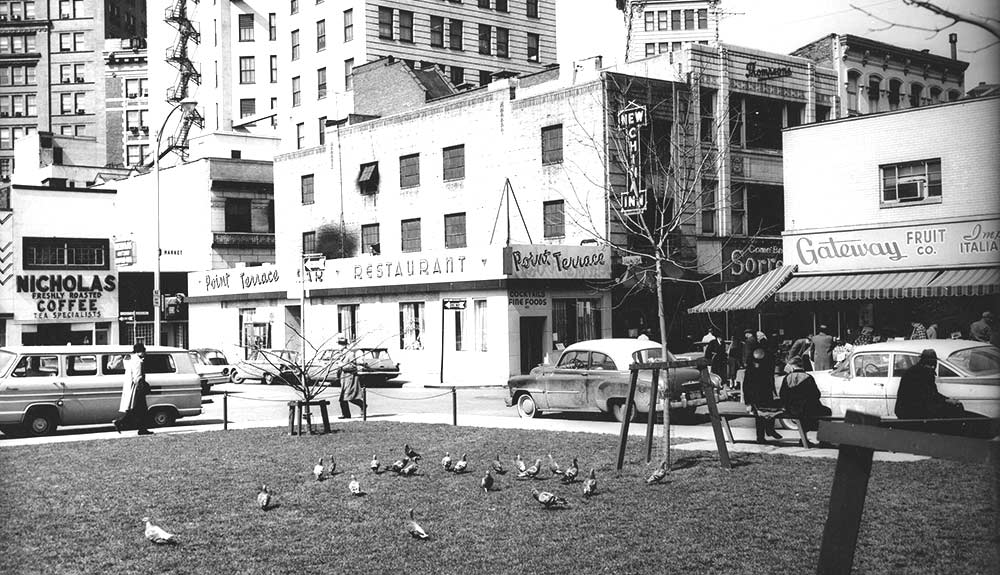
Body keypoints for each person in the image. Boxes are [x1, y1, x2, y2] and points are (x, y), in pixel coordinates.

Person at [895, 349, 991, 437]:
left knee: (954, 408)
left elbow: (931, 394)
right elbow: (929, 397)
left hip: (913, 408)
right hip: (911, 411)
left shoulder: (919, 370)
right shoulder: (922, 373)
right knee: (953, 410)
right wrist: (947, 401)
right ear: (931, 362)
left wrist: (947, 400)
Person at [779, 355, 832, 433]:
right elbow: (816, 394)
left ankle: (805, 439)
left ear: (792, 367)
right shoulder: (808, 377)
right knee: (827, 411)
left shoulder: (787, 378)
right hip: (806, 409)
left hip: (791, 409)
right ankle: (824, 440)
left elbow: (782, 395)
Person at [743, 346, 783, 443]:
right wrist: (748, 402)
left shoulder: (764, 366)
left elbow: (770, 379)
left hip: (765, 392)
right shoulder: (754, 369)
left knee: (771, 411)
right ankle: (762, 436)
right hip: (756, 395)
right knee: (760, 416)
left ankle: (769, 430)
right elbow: (746, 385)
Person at [113, 343, 153, 435]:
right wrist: (143, 386)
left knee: (136, 410)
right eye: (144, 351)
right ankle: (121, 423)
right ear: (141, 352)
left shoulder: (130, 359)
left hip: (132, 387)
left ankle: (140, 428)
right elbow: (137, 376)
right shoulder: (138, 361)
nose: (145, 353)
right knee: (140, 409)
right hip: (137, 388)